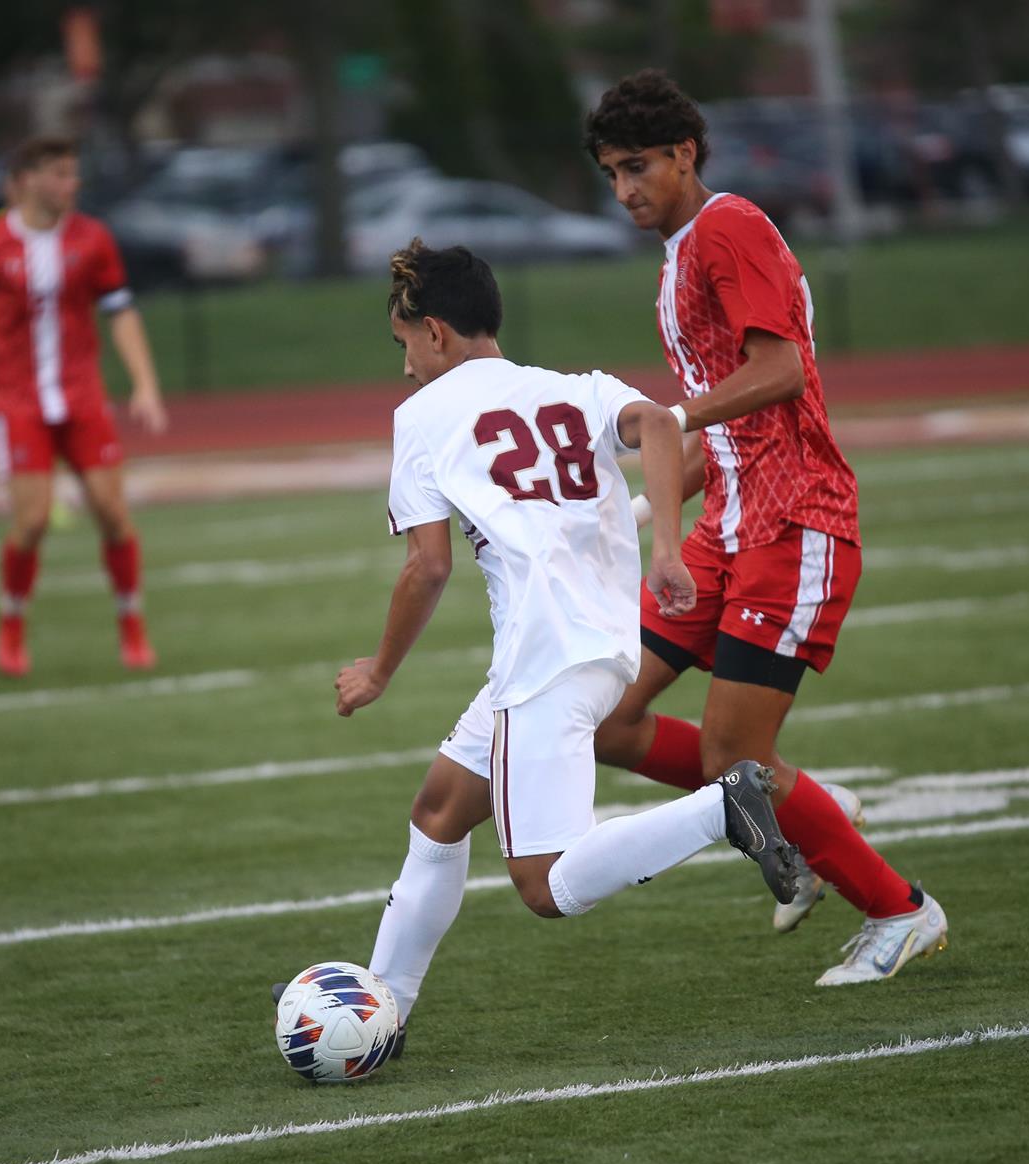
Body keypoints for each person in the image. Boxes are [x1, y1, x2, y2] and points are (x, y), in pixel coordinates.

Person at [326, 239, 813, 1049]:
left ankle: (721, 809)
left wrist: (378, 671)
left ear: (437, 332)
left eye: (404, 343)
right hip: (601, 643)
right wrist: (663, 549)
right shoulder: (572, 388)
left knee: (545, 884)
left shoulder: (420, 417)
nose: (405, 365)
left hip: (543, 656)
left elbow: (427, 565)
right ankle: (384, 1008)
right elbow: (660, 423)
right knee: (441, 810)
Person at [583, 70, 946, 987]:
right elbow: (731, 430)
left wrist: (673, 421)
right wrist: (645, 503)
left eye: (638, 168)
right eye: (611, 174)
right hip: (730, 529)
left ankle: (901, 909)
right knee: (604, 717)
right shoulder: (679, 253)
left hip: (796, 526)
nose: (625, 190)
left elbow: (781, 371)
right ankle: (791, 811)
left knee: (731, 757)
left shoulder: (729, 228)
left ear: (685, 154)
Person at [0, 135, 169, 677]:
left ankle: (131, 624)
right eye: (61, 174)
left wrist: (144, 384)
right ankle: (12, 626)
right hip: (18, 401)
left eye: (73, 174)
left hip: (82, 395)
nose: (72, 184)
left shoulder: (92, 239)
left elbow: (121, 312)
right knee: (34, 520)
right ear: (27, 180)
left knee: (113, 514)